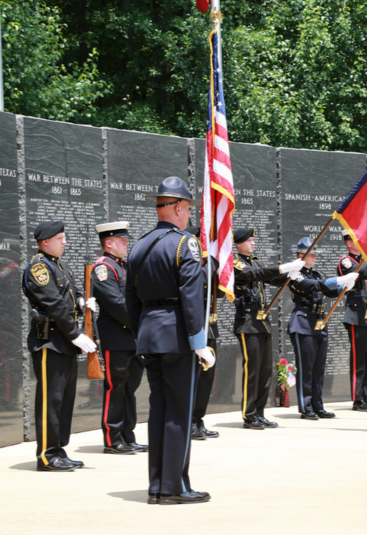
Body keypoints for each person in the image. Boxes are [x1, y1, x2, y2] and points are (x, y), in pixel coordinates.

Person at [125, 176, 215, 505]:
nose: (189, 215)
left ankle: (158, 485)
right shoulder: (183, 244)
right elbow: (191, 297)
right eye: (188, 208)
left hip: (150, 336)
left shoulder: (138, 246)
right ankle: (175, 487)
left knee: (160, 409)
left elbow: (131, 299)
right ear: (177, 208)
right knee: (179, 411)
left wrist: (141, 334)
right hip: (177, 337)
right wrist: (198, 342)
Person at [23, 221, 97, 472]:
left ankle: (58, 449)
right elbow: (53, 304)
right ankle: (46, 455)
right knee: (50, 400)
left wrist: (82, 302)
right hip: (49, 343)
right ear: (46, 242)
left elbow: (69, 295)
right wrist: (76, 333)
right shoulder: (39, 268)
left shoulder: (60, 265)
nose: (65, 242)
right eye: (60, 238)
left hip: (64, 343)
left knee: (65, 399)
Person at [233, 228, 304, 429]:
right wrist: (284, 267)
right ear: (238, 244)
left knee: (265, 371)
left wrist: (292, 273)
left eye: (253, 240)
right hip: (247, 323)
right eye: (248, 241)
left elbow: (272, 279)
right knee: (252, 371)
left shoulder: (256, 261)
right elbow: (255, 274)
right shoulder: (236, 264)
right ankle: (249, 415)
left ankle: (260, 412)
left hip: (262, 323)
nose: (252, 243)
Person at [287, 237, 358, 420]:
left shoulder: (316, 274)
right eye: (312, 254)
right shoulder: (296, 274)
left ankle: (318, 405)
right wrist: (339, 279)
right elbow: (310, 286)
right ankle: (306, 407)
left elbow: (329, 291)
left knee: (319, 368)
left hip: (319, 323)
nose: (315, 257)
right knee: (306, 368)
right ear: (301, 255)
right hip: (303, 323)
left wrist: (345, 286)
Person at [92, 221, 147, 454]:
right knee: (115, 388)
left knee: (129, 389)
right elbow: (115, 304)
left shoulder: (124, 266)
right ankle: (112, 439)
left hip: (132, 338)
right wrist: (140, 323)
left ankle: (127, 435)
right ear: (109, 243)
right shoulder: (103, 268)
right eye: (122, 241)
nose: (126, 244)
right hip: (116, 339)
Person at [338, 229, 367, 412]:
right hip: (356, 314)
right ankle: (357, 399)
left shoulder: (365, 261)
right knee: (359, 360)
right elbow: (359, 274)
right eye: (357, 240)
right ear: (349, 243)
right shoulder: (346, 261)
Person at [184, 226, 220, 441]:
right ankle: (188, 422)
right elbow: (199, 285)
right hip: (195, 328)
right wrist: (213, 262)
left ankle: (199, 420)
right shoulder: (191, 265)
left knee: (206, 378)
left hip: (209, 327)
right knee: (193, 379)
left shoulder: (205, 264)